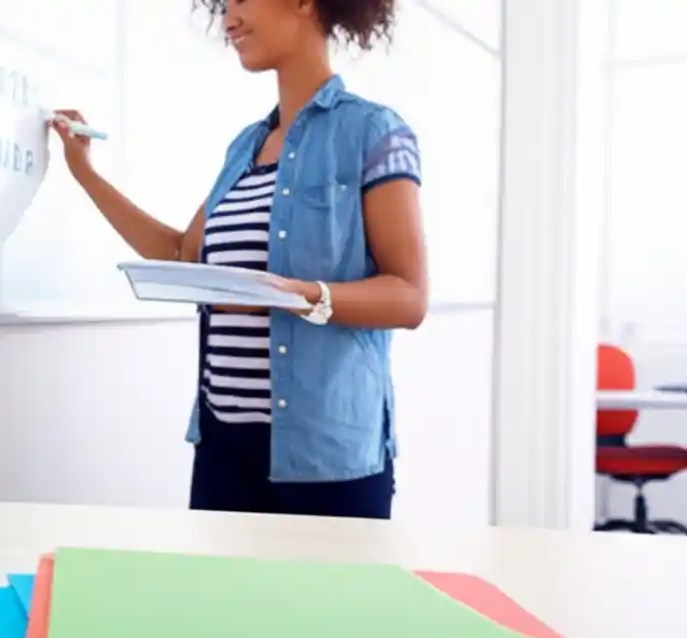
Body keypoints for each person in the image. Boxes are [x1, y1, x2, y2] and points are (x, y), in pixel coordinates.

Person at [50, 0, 428, 520]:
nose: (228, 18)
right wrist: (85, 174)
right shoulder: (244, 148)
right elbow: (183, 254)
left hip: (327, 464)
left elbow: (409, 296)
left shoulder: (373, 132)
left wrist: (296, 296)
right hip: (223, 451)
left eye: (241, 0)